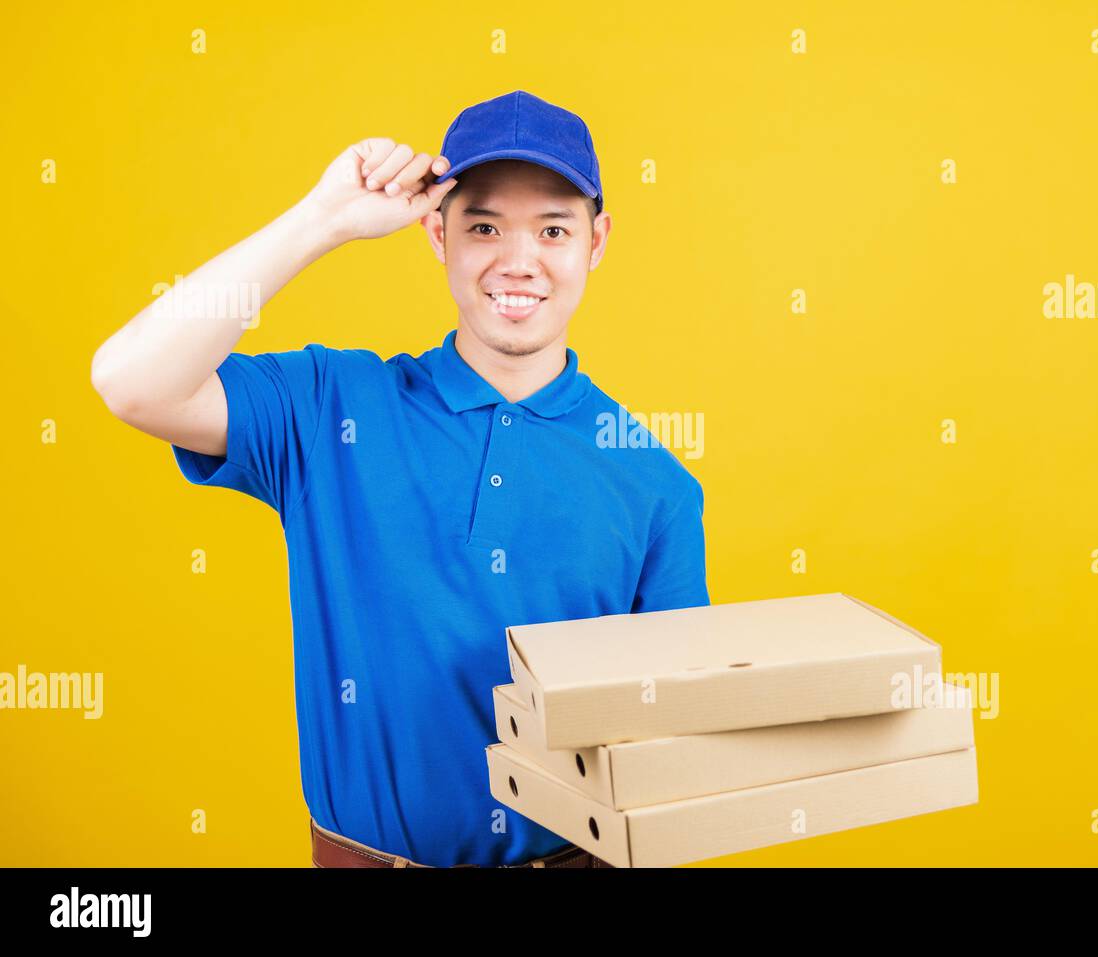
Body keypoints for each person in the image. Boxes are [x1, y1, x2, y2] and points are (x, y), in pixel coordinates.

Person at [90, 90, 709, 868]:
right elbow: (130, 380)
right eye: (482, 226)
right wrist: (324, 219)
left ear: (597, 241)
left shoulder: (655, 483)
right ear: (435, 233)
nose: (518, 261)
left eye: (554, 229)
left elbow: (673, 744)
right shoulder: (330, 408)